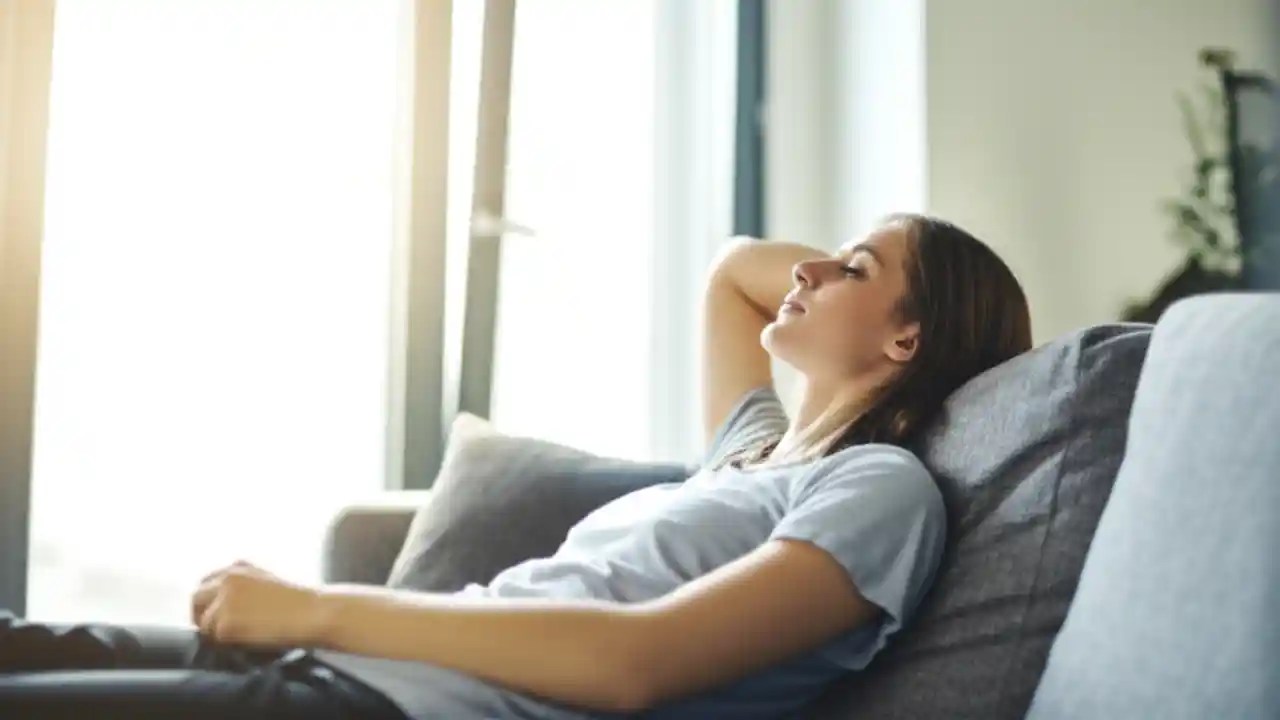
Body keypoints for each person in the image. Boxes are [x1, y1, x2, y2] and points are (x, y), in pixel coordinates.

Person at [0, 213, 1032, 719]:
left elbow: (634, 665)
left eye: (850, 269)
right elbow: (731, 275)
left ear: (907, 339)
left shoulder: (877, 492)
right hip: (366, 675)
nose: (804, 269)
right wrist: (860, 282)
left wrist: (316, 608)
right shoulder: (750, 453)